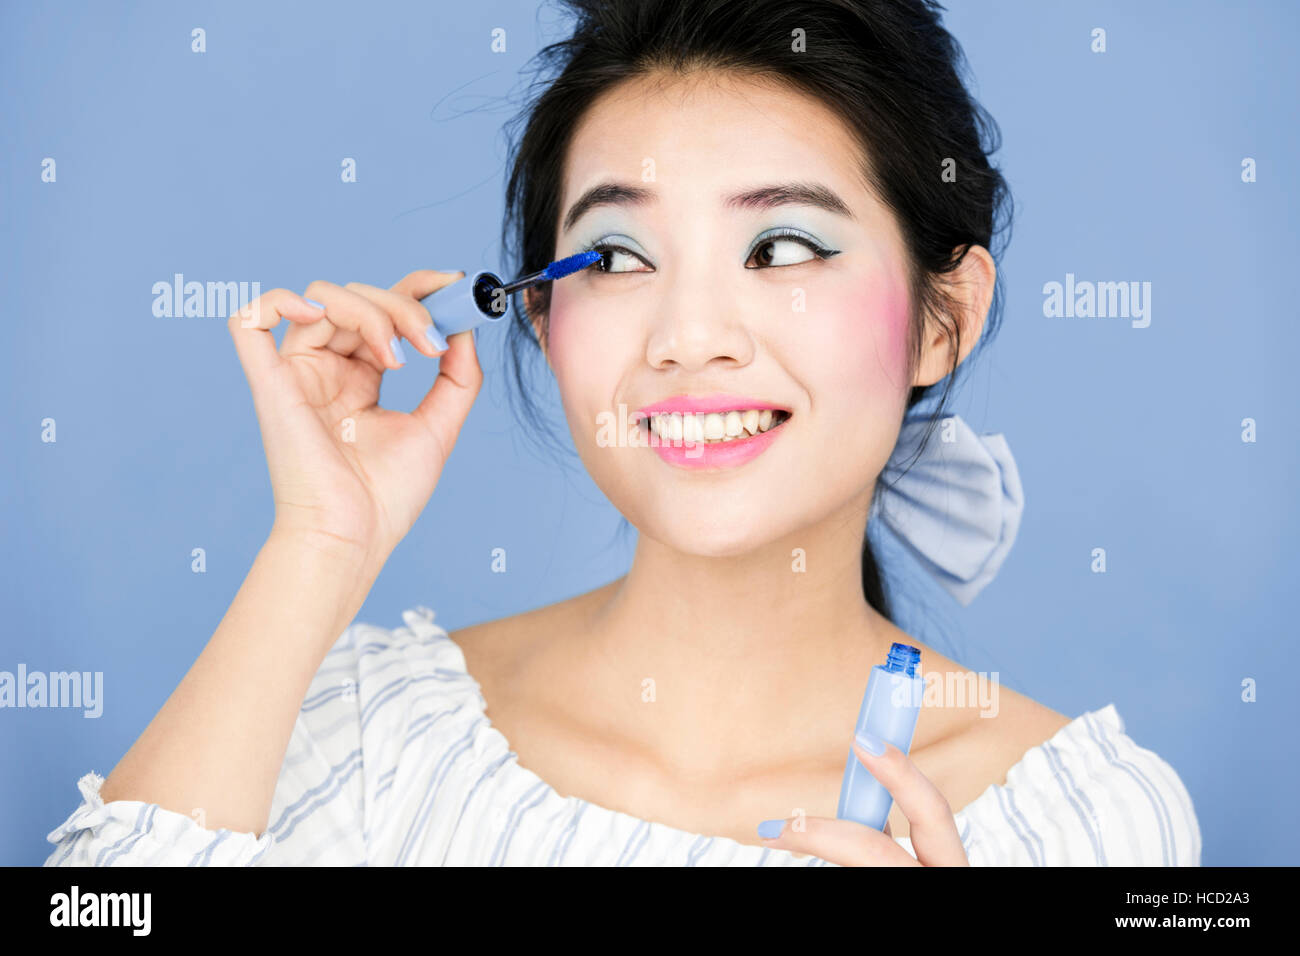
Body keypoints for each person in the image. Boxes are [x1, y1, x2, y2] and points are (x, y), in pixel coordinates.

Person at [45, 0, 1199, 866]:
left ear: (943, 317)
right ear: (541, 317)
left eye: (785, 247)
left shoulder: (1084, 821)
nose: (688, 335)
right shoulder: (374, 733)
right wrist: (317, 546)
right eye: (615, 257)